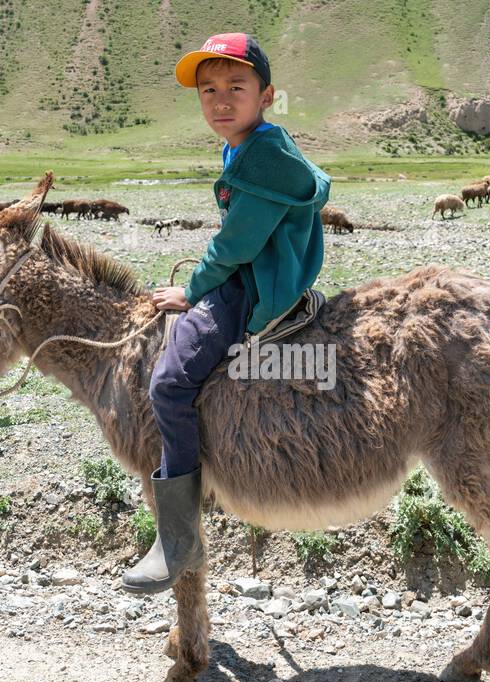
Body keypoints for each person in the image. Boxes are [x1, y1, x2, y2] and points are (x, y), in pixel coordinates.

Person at [122, 32, 331, 594]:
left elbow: (236, 245)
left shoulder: (262, 158)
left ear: (266, 96)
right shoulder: (252, 144)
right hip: (259, 266)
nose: (220, 101)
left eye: (236, 87)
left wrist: (192, 291)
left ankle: (179, 537)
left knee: (169, 384)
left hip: (255, 282)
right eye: (208, 90)